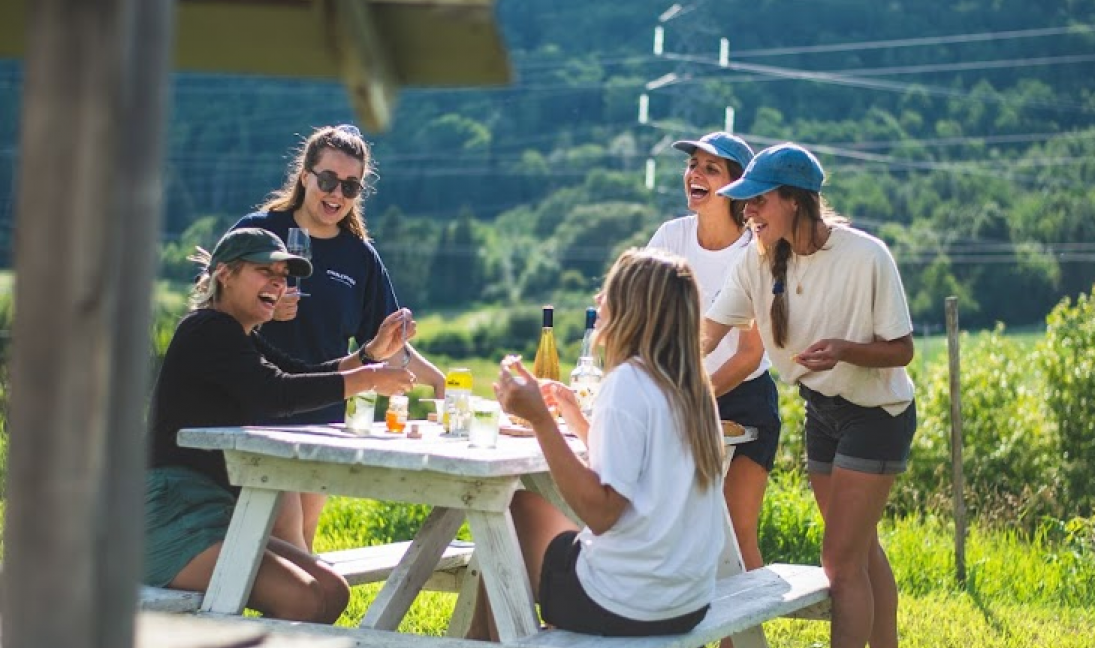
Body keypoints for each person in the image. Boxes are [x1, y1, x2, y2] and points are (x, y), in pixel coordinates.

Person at [145, 228, 417, 623]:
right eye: (265, 271)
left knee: (331, 590)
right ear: (225, 274)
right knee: (304, 598)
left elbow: (301, 374)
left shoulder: (238, 335)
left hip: (214, 513)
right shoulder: (206, 329)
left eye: (284, 275)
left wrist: (371, 353)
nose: (279, 283)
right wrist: (371, 377)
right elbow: (276, 394)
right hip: (168, 516)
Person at [704, 143, 917, 648]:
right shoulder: (755, 263)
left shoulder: (866, 256)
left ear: (794, 200)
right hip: (821, 412)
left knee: (839, 563)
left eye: (758, 201)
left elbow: (903, 349)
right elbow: (706, 334)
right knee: (860, 553)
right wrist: (660, 373)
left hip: (876, 415)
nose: (747, 212)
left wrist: (844, 350)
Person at [471, 248, 728, 640]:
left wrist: (542, 420)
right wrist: (575, 417)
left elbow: (602, 513)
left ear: (633, 310)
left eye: (608, 293)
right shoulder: (692, 389)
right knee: (517, 538)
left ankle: (479, 640)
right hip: (686, 601)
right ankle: (477, 640)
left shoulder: (628, 383)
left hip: (625, 600)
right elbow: (636, 468)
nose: (598, 301)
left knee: (509, 512)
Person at [231, 124, 445, 552]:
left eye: (350, 186)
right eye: (327, 180)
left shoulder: (358, 255)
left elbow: (386, 340)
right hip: (258, 409)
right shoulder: (259, 232)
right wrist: (266, 310)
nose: (336, 195)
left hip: (322, 414)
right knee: (284, 542)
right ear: (305, 175)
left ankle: (284, 618)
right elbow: (213, 310)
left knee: (302, 542)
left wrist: (437, 381)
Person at [647, 131, 782, 576]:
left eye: (711, 168)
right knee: (669, 530)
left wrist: (692, 396)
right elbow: (640, 312)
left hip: (745, 401)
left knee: (735, 536)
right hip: (681, 395)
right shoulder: (670, 236)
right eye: (693, 165)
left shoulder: (758, 251)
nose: (695, 174)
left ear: (736, 187)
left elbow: (747, 355)